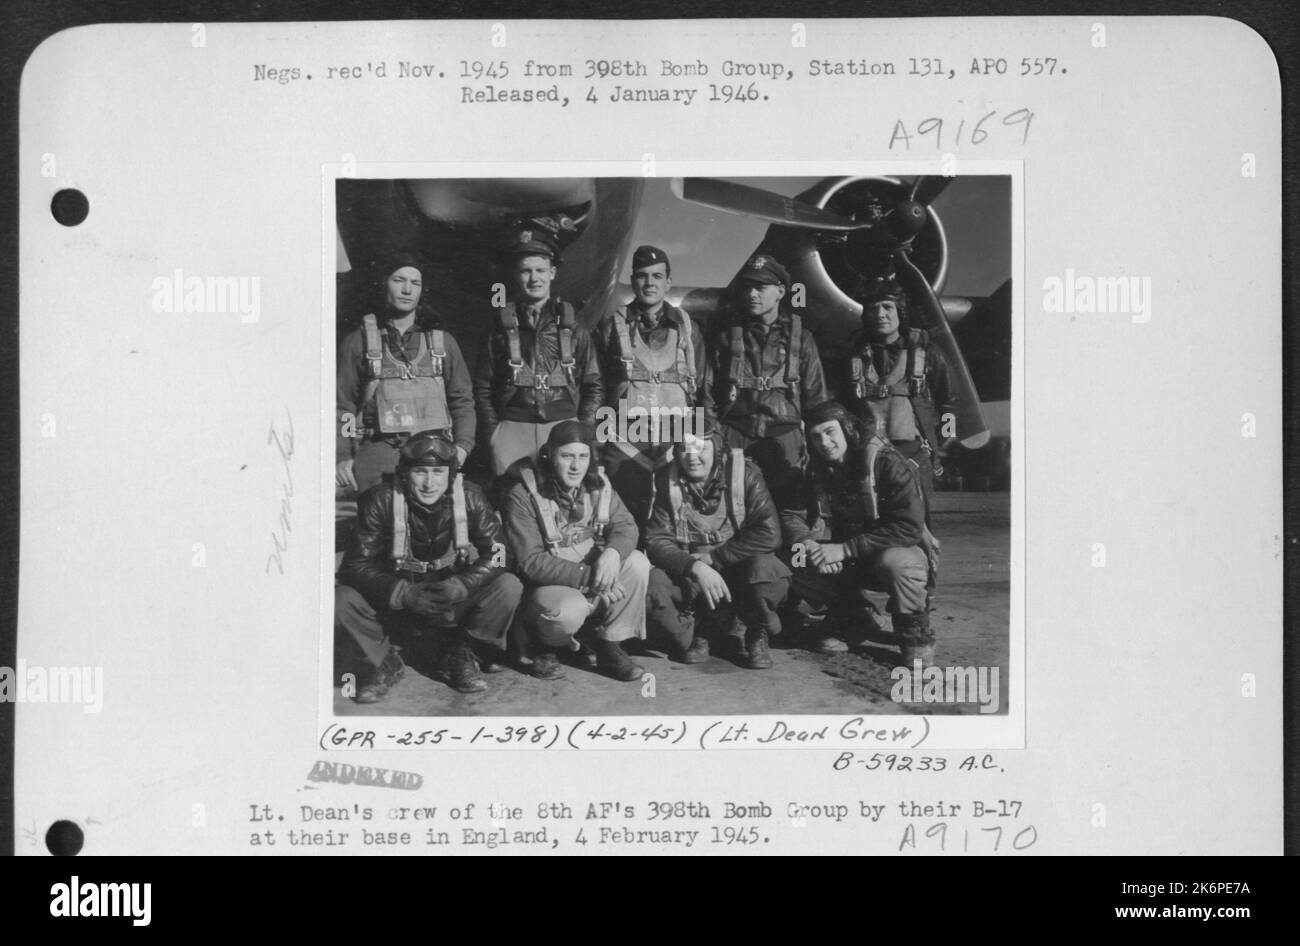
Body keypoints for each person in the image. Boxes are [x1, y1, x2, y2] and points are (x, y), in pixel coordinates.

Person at [335, 431, 523, 698]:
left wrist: (463, 583)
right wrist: (403, 593)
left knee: (508, 586)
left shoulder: (470, 497)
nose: (428, 483)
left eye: (437, 473)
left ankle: (464, 651)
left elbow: (501, 554)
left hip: (449, 598)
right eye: (420, 472)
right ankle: (381, 662)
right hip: (395, 602)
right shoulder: (380, 500)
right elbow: (354, 565)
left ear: (451, 475)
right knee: (341, 599)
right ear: (404, 473)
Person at [781, 401, 936, 665]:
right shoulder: (813, 468)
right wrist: (808, 545)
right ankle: (855, 616)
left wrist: (843, 549)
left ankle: (914, 632)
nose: (824, 442)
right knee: (791, 558)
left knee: (900, 564)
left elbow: (908, 527)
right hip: (846, 557)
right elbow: (792, 514)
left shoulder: (887, 461)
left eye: (830, 432)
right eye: (816, 436)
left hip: (893, 550)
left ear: (847, 429)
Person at [501, 420, 651, 682]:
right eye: (567, 456)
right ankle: (544, 646)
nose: (575, 465)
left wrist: (613, 553)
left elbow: (626, 525)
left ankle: (606, 642)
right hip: (546, 585)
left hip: (590, 571)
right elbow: (530, 562)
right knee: (567, 611)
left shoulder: (597, 485)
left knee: (637, 563)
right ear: (549, 455)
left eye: (582, 456)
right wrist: (592, 577)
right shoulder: (522, 494)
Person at [644, 421, 790, 669]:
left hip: (737, 570)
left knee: (766, 569)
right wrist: (695, 567)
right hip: (693, 576)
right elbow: (656, 539)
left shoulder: (746, 474)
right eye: (684, 449)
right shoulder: (666, 478)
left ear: (717, 450)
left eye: (701, 449)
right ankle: (701, 628)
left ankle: (756, 629)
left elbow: (770, 534)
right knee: (653, 583)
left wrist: (714, 559)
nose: (692, 457)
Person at [336, 250, 476, 496]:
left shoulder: (443, 344)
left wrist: (462, 447)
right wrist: (343, 454)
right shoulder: (358, 342)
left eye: (415, 283)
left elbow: (462, 401)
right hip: (377, 454)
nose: (407, 290)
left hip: (433, 457)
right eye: (398, 280)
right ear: (384, 284)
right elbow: (343, 405)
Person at [594, 245, 710, 530]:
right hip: (626, 447)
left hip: (675, 448)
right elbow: (597, 387)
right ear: (632, 280)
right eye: (643, 276)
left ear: (668, 282)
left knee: (676, 524)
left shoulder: (687, 329)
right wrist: (597, 445)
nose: (650, 283)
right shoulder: (611, 327)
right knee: (623, 525)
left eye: (657, 276)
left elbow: (703, 390)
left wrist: (704, 442)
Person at [474, 227, 602, 479]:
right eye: (526, 271)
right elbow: (483, 387)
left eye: (541, 270)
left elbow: (593, 385)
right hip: (511, 431)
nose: (534, 278)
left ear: (552, 273)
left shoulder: (575, 329)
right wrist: (493, 435)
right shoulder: (499, 329)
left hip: (563, 428)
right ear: (516, 275)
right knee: (511, 502)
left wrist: (583, 431)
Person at [703, 253, 828, 504]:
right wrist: (714, 435)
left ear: (780, 292)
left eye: (760, 287)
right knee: (733, 506)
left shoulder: (801, 338)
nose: (752, 294)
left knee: (790, 507)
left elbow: (817, 399)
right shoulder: (728, 337)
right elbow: (707, 391)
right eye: (747, 287)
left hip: (785, 436)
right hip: (735, 432)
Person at [834, 277, 954, 522]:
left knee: (918, 522)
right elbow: (841, 406)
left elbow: (948, 402)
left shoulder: (928, 354)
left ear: (900, 311)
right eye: (873, 308)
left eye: (887, 307)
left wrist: (938, 446)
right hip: (864, 452)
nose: (880, 314)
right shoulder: (850, 356)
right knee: (867, 519)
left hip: (913, 451)